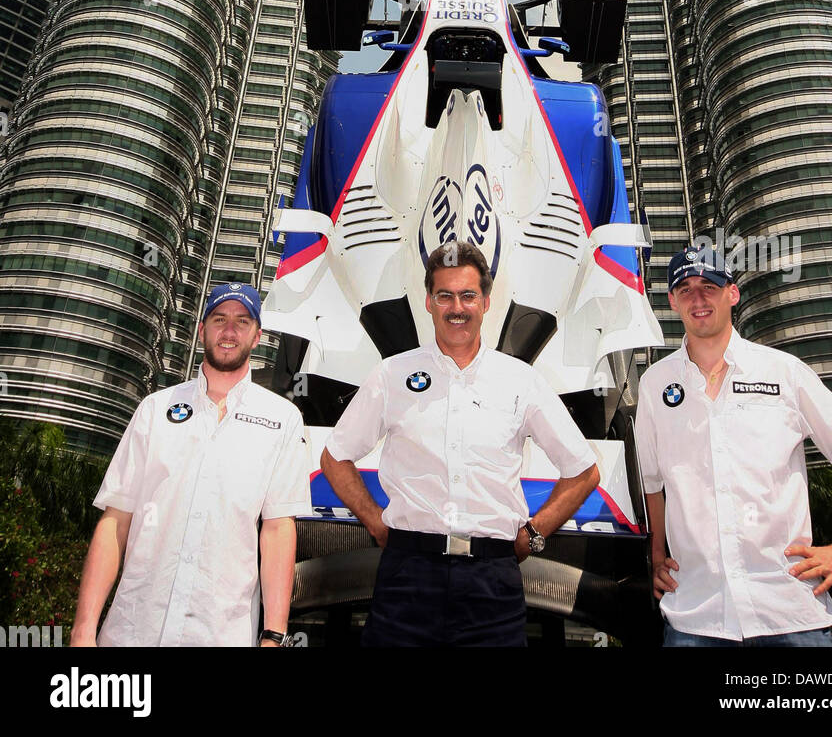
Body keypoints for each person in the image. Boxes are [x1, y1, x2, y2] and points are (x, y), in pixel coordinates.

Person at [320, 240, 601, 647]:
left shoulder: (521, 380)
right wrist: (375, 520)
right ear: (429, 301)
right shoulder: (392, 374)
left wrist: (534, 534)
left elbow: (583, 471)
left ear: (486, 302)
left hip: (492, 584)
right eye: (445, 295)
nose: (457, 307)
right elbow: (335, 457)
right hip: (406, 578)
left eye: (468, 295)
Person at [635, 241, 832, 647]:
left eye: (710, 286)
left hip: (788, 611)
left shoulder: (784, 372)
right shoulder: (654, 385)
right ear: (673, 301)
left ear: (732, 293)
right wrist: (655, 557)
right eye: (686, 289)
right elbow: (652, 484)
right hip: (696, 617)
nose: (698, 299)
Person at [70, 282, 311, 647]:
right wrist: (83, 630)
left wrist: (273, 637)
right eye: (219, 319)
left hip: (221, 635)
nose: (229, 331)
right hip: (131, 630)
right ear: (202, 330)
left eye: (242, 322)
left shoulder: (283, 419)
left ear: (257, 335)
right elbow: (115, 521)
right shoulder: (154, 409)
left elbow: (278, 531)